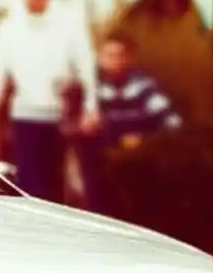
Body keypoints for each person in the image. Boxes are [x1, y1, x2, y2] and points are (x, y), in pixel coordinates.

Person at [0, 0, 98, 202]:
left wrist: (91, 108)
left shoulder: (68, 24)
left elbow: (86, 67)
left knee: (60, 189)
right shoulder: (10, 28)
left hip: (62, 120)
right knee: (30, 186)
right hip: (26, 118)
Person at [75, 31, 181, 213]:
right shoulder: (91, 88)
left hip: (135, 161)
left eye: (120, 55)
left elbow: (172, 122)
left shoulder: (142, 87)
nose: (115, 61)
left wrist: (146, 140)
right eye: (109, 55)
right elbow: (72, 123)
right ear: (99, 58)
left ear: (129, 58)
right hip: (100, 161)